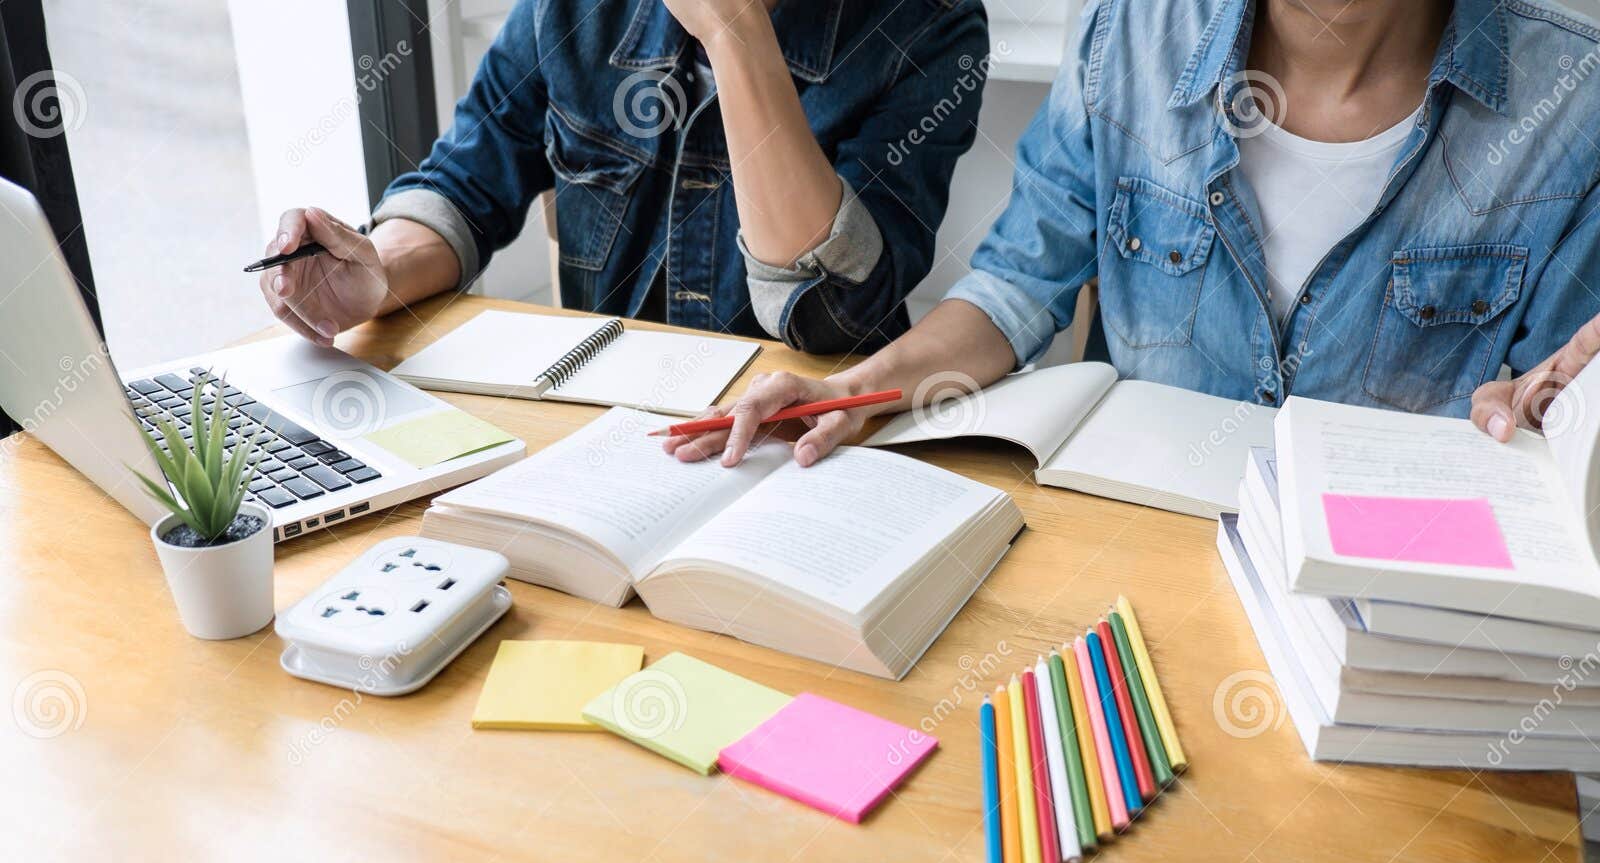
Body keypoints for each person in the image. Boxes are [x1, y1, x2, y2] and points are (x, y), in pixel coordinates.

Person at [678, 0, 1600, 470]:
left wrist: (1556, 409)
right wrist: (856, 389)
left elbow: (1545, 414)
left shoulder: (1573, 104)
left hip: (1386, 604)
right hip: (1141, 547)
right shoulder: (1127, 31)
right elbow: (1015, 286)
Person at [257, 0, 987, 355]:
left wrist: (734, 33)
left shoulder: (930, 26)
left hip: (803, 445)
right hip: (609, 435)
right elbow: (465, 186)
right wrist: (376, 271)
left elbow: (831, 313)